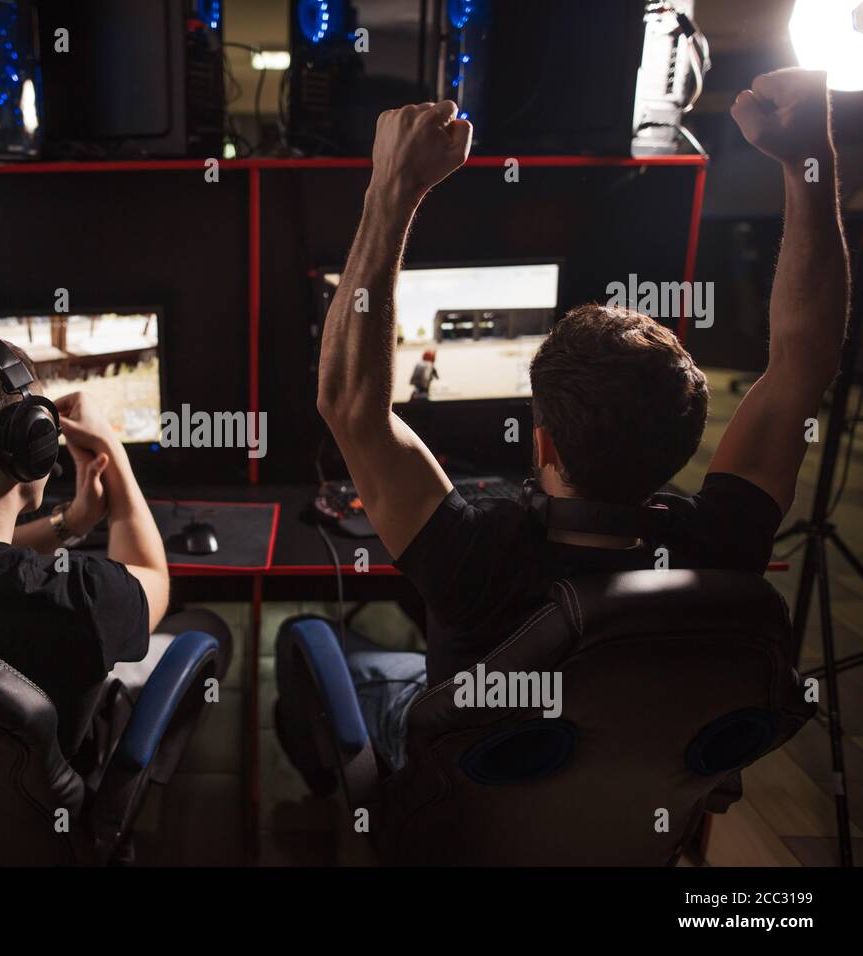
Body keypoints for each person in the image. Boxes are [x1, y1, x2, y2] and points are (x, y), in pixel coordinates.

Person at [279, 68, 849, 776]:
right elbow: (802, 364)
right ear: (690, 439)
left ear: (542, 441)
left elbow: (348, 406)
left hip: (461, 803)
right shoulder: (721, 546)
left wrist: (391, 190)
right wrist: (808, 160)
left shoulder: (476, 556)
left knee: (312, 641)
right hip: (628, 798)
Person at [0, 331, 231, 771]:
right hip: (53, 807)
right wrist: (111, 450)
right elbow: (150, 574)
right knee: (207, 625)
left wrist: (68, 524)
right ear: (31, 452)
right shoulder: (81, 598)